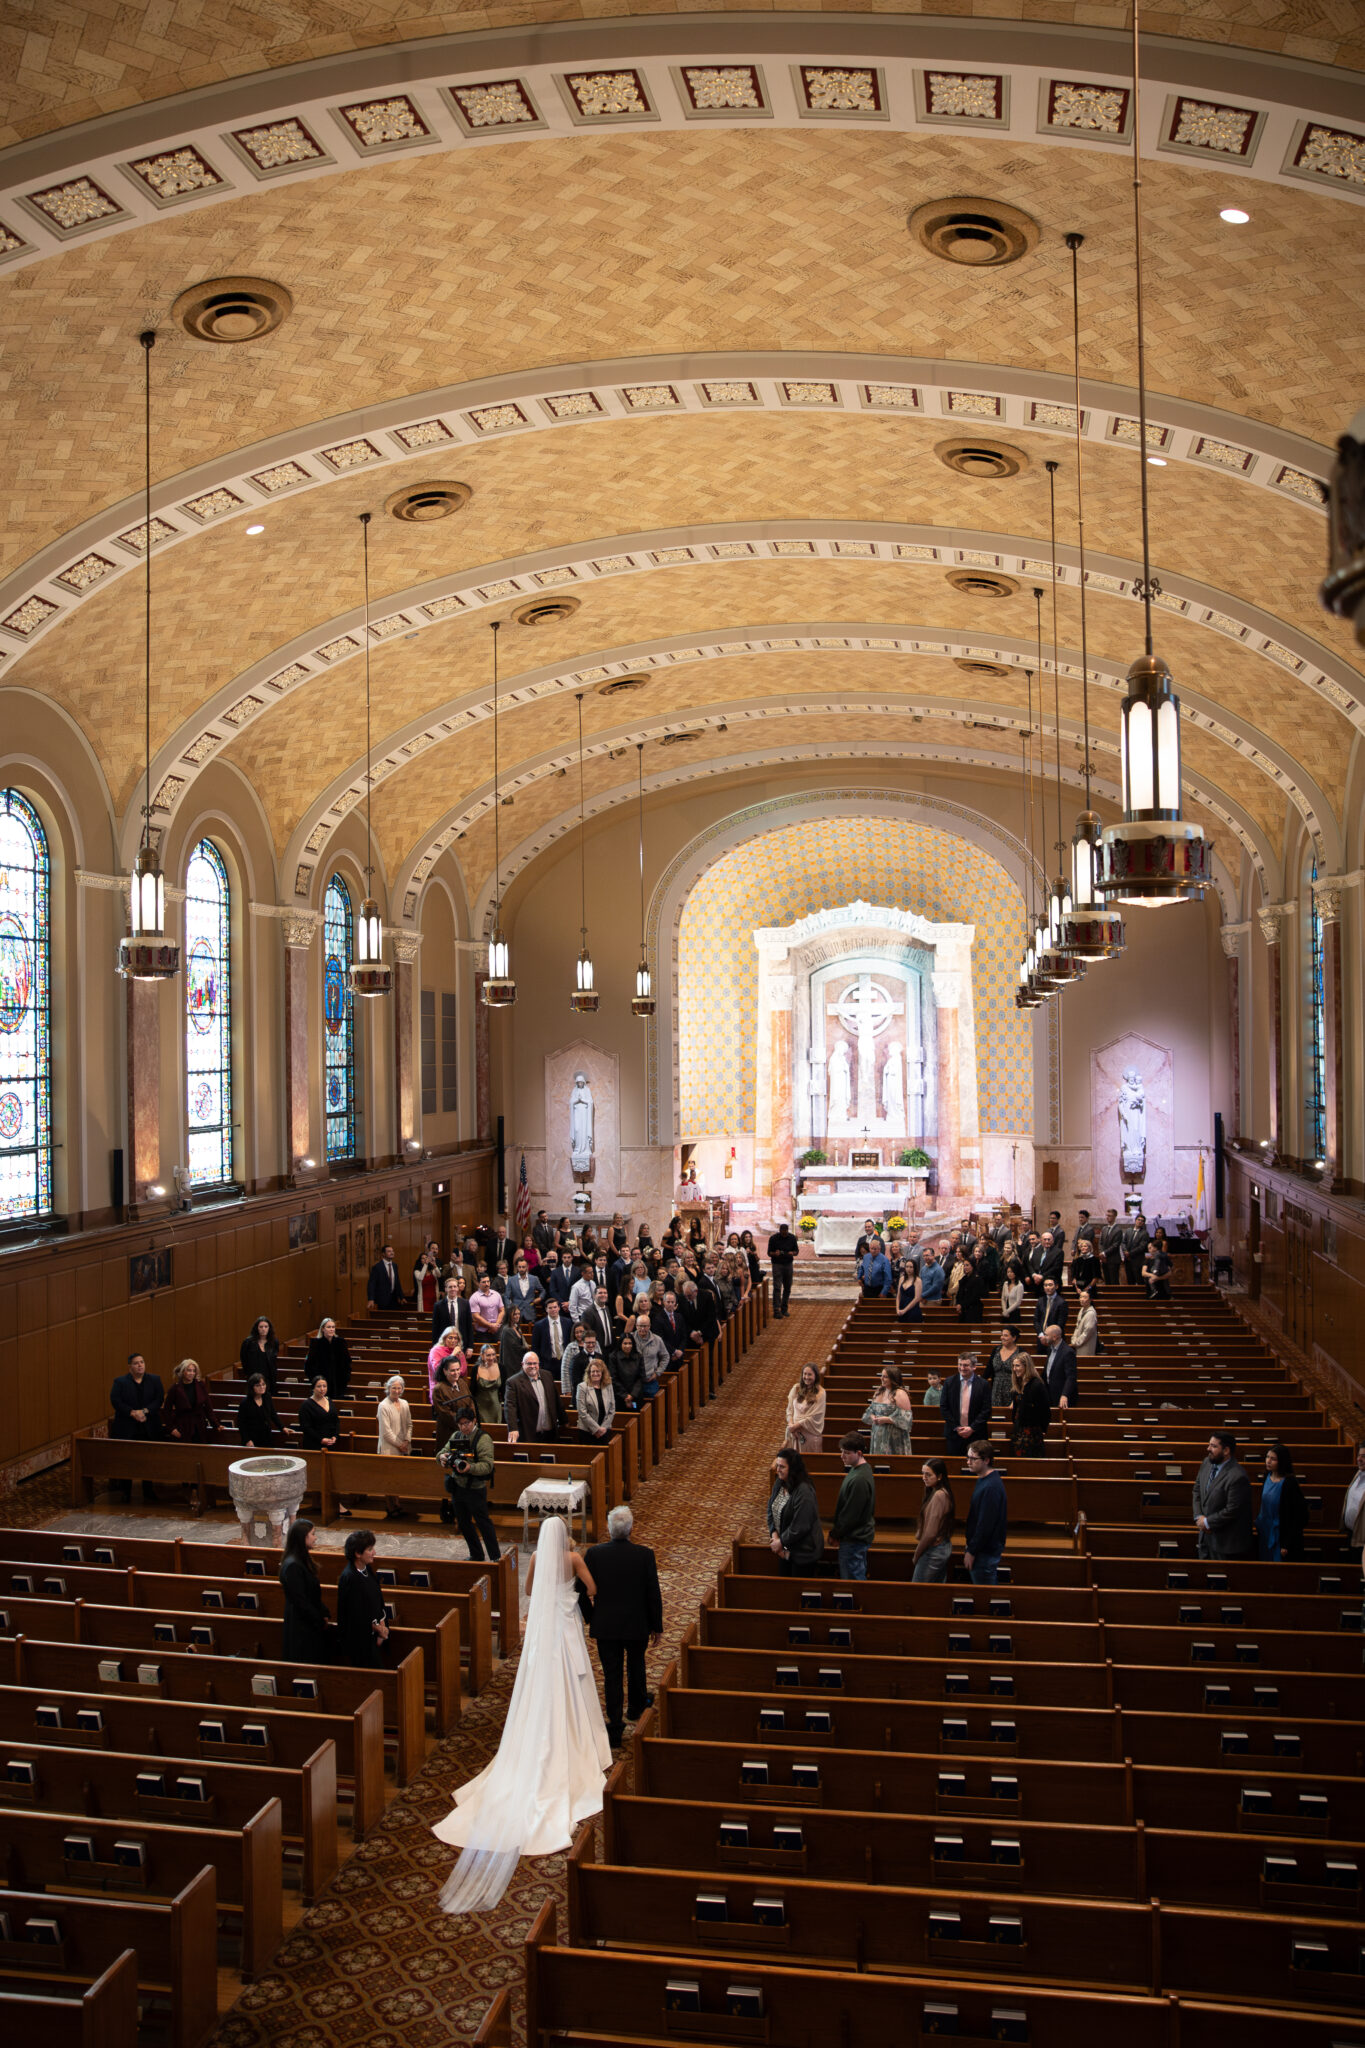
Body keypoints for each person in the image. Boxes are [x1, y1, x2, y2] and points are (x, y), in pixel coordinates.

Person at [435, 1515, 610, 1911]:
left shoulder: (535, 1561)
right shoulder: (575, 1557)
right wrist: (578, 1593)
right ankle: (579, 1738)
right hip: (564, 1626)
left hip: (543, 1630)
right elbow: (592, 1588)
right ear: (564, 1536)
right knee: (573, 1680)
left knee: (539, 1683)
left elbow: (530, 1591)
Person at [584, 1504, 663, 1748]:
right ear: (631, 1530)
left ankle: (615, 1726)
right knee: (636, 1665)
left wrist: (592, 1616)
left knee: (612, 1675)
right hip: (636, 1623)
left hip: (606, 1625)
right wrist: (656, 1626)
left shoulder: (594, 1554)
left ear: (609, 1529)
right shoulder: (644, 1554)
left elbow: (580, 1592)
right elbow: (653, 1593)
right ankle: (636, 1707)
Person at [440, 1404, 500, 1559]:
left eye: (467, 1423)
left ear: (474, 1421)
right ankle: (476, 1555)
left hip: (475, 1489)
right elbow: (442, 1452)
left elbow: (487, 1466)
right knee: (464, 1524)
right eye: (460, 1424)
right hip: (457, 1487)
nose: (464, 1427)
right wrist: (441, 1457)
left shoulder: (483, 1438)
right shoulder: (456, 1436)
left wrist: (469, 1468)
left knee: (483, 1524)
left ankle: (495, 1558)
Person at [109, 1352, 164, 1502]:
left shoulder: (154, 1380)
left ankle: (148, 1490)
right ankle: (126, 1491)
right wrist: (132, 1412)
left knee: (148, 1459)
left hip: (149, 1427)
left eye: (142, 1362)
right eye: (136, 1363)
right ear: (129, 1367)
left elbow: (159, 1399)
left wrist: (145, 1411)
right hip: (127, 1427)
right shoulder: (120, 1382)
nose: (140, 1365)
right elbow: (116, 1400)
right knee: (128, 1460)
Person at [1192, 1431, 1254, 1560]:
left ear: (1226, 1451)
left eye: (1214, 1446)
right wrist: (1199, 1517)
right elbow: (1197, 1490)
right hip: (1205, 1538)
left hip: (1225, 1543)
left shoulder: (1238, 1476)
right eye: (1209, 1445)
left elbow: (1233, 1510)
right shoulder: (1207, 1463)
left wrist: (1208, 1522)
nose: (1208, 1449)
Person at [279, 1517, 333, 1664]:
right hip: (301, 1628)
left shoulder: (301, 1560)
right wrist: (319, 1619)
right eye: (313, 1534)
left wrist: (324, 1612)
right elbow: (300, 1601)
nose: (315, 1538)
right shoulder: (292, 1566)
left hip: (308, 1623)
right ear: (303, 1537)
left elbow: (311, 1594)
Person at [336, 1527, 389, 1665]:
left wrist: (382, 1625)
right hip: (359, 1640)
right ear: (358, 1553)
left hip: (374, 1635)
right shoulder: (349, 1578)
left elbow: (378, 1598)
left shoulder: (367, 1569)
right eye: (370, 1549)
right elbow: (354, 1613)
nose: (374, 1553)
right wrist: (377, 1629)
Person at [767, 1448, 824, 1575]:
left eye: (782, 1467)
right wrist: (774, 1535)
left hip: (803, 1552)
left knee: (796, 1589)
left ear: (792, 1468)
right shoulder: (780, 1482)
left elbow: (800, 1526)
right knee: (785, 1586)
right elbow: (770, 1509)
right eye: (777, 1465)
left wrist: (780, 1542)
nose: (777, 1470)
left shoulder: (804, 1491)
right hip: (784, 1547)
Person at [831, 1433, 875, 1580]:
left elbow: (851, 1515)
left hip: (854, 1538)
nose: (842, 1456)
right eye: (841, 1452)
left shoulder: (859, 1479)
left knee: (852, 1582)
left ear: (859, 1453)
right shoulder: (858, 1470)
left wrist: (836, 1534)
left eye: (847, 1453)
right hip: (853, 1537)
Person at [1256, 1440, 1308, 1562]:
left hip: (1282, 1533)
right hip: (1266, 1530)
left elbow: (1300, 1516)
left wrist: (1287, 1543)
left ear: (1282, 1461)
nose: (1268, 1461)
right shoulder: (1266, 1477)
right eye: (1267, 1457)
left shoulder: (1290, 1483)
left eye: (1273, 1459)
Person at [963, 1440, 1007, 1584]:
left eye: (973, 1459)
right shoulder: (984, 1479)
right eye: (967, 1458)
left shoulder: (991, 1487)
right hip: (981, 1549)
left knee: (985, 1597)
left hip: (984, 1552)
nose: (968, 1462)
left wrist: (972, 1551)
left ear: (986, 1460)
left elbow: (985, 1525)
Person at [911, 1458, 955, 1583]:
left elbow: (930, 1533)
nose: (924, 1477)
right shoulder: (936, 1492)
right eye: (923, 1473)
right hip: (939, 1548)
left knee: (918, 1591)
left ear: (940, 1476)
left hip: (934, 1550)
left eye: (928, 1474)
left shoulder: (939, 1495)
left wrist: (917, 1554)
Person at [505, 1352, 562, 1443]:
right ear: (523, 1364)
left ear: (538, 1364)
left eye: (535, 1363)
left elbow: (556, 1400)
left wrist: (564, 1420)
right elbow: (510, 1407)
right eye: (529, 1363)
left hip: (550, 1433)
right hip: (529, 1434)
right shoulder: (513, 1382)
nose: (532, 1366)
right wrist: (513, 1428)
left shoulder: (547, 1375)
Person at [377, 1375, 413, 1520]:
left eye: (399, 1388)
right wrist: (400, 1445)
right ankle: (390, 1506)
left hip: (403, 1446)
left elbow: (410, 1424)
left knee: (398, 1479)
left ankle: (397, 1504)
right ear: (388, 1388)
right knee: (389, 1480)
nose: (397, 1391)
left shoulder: (405, 1403)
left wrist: (406, 1441)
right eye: (394, 1388)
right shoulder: (383, 1405)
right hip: (389, 1448)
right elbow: (386, 1432)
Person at [940, 1353, 990, 1448]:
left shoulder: (983, 1384)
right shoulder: (949, 1382)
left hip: (976, 1434)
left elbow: (986, 1410)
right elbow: (944, 1407)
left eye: (966, 1365)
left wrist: (972, 1428)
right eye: (960, 1364)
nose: (962, 1368)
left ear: (974, 1366)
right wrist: (957, 1427)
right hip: (954, 1434)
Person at [861, 1366, 914, 1455]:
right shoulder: (879, 1391)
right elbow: (870, 1410)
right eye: (881, 1376)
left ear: (893, 1378)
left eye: (885, 1376)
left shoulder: (900, 1393)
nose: (881, 1378)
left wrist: (887, 1419)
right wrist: (873, 1417)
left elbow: (907, 1418)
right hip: (878, 1434)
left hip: (894, 1436)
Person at [163, 1358, 218, 1442]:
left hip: (200, 1426)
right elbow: (167, 1410)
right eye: (189, 1370)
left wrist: (216, 1425)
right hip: (182, 1427)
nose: (191, 1373)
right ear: (182, 1371)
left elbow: (208, 1407)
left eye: (193, 1371)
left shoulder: (200, 1385)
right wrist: (171, 1429)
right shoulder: (175, 1389)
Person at [1010, 1355, 1051, 1457]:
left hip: (1032, 1433)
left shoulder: (1036, 1385)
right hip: (1018, 1430)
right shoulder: (1018, 1383)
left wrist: (1043, 1429)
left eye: (1018, 1366)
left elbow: (1045, 1411)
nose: (1015, 1369)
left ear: (1026, 1366)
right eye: (1014, 1366)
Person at [238, 1371, 289, 1447]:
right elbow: (241, 1424)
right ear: (252, 1387)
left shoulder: (267, 1397)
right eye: (258, 1385)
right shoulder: (245, 1403)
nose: (262, 1387)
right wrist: (247, 1440)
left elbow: (273, 1414)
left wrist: (282, 1427)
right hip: (252, 1438)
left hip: (266, 1435)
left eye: (263, 1384)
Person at [784, 1363, 826, 1455]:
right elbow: (790, 1410)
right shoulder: (796, 1388)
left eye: (809, 1374)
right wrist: (791, 1424)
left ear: (816, 1376)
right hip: (795, 1434)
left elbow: (815, 1416)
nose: (806, 1377)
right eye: (804, 1374)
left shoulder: (821, 1393)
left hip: (809, 1434)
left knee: (809, 1465)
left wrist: (795, 1426)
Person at [306, 1316, 351, 1400]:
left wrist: (346, 1377)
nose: (331, 1329)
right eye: (328, 1327)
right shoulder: (316, 1343)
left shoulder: (341, 1342)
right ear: (323, 1329)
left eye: (333, 1327)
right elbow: (309, 1364)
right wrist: (315, 1380)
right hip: (321, 1384)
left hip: (339, 1382)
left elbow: (347, 1362)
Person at [432, 1351, 467, 1455]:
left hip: (465, 1430)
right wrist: (463, 1424)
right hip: (448, 1431)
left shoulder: (462, 1383)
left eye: (458, 1369)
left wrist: (470, 1422)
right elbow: (445, 1413)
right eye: (452, 1370)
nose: (456, 1373)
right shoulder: (439, 1389)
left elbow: (470, 1403)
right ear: (445, 1371)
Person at [576, 1357, 616, 1442]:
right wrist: (596, 1429)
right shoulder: (582, 1387)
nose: (595, 1374)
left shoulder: (608, 1386)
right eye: (592, 1371)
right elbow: (582, 1412)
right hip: (587, 1431)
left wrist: (603, 1428)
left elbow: (612, 1409)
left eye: (598, 1371)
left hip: (605, 1430)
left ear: (602, 1373)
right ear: (589, 1373)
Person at [239, 1316, 280, 1395]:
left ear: (269, 1328)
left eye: (266, 1327)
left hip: (269, 1377)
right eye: (261, 1327)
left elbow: (274, 1361)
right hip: (254, 1377)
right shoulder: (248, 1342)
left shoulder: (274, 1342)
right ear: (256, 1328)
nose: (263, 1329)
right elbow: (244, 1360)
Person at [1041, 1326, 1077, 1412]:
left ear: (1054, 1337)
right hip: (1050, 1393)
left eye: (1046, 1335)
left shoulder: (1068, 1352)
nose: (1044, 1337)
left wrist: (1065, 1395)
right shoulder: (1050, 1349)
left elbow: (1071, 1377)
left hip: (1061, 1396)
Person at [427, 1325, 466, 1404]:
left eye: (456, 1338)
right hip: (440, 1390)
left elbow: (463, 1371)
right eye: (450, 1337)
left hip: (455, 1391)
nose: (453, 1340)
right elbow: (438, 1369)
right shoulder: (435, 1351)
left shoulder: (459, 1352)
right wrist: (453, 1354)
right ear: (444, 1338)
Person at [432, 1276, 473, 1351]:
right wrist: (435, 1346)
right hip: (444, 1344)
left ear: (457, 1288)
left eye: (455, 1286)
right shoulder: (438, 1305)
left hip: (461, 1342)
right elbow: (435, 1328)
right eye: (450, 1287)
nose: (453, 1289)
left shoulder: (465, 1303)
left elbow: (469, 1326)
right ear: (446, 1289)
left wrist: (470, 1347)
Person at [767, 1222, 798, 1319]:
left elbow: (796, 1251)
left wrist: (792, 1253)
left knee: (787, 1287)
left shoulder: (792, 1238)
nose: (784, 1233)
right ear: (780, 1231)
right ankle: (776, 1310)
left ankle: (784, 1308)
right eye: (782, 1232)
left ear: (787, 1231)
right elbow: (769, 1253)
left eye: (786, 1232)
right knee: (777, 1287)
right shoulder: (773, 1238)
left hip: (788, 1264)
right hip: (777, 1264)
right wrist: (775, 1253)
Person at [368, 1241, 408, 1311]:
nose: (392, 1253)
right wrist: (371, 1299)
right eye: (389, 1251)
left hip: (394, 1299)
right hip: (382, 1300)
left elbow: (397, 1282)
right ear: (383, 1254)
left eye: (392, 1251)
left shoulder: (394, 1265)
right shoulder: (377, 1267)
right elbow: (372, 1284)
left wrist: (401, 1297)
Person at [472, 1346, 504, 1429]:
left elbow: (504, 1389)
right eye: (488, 1355)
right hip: (480, 1407)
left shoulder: (501, 1367)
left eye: (493, 1354)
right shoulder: (476, 1368)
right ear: (482, 1356)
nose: (491, 1358)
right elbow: (472, 1390)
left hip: (495, 1406)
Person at [988, 1327, 1020, 1408]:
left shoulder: (1020, 1352)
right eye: (1001, 1335)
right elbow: (989, 1370)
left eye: (1005, 1335)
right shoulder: (996, 1350)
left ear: (1014, 1338)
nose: (1002, 1337)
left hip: (1012, 1390)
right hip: (996, 1390)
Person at [1344, 1444, 1365, 1563]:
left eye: (1363, 1456)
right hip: (1352, 1535)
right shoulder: (1359, 1474)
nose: (1359, 1459)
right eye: (1358, 1455)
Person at [1033, 1277, 1067, 1352]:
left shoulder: (1061, 1302)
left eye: (1050, 1285)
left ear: (1056, 1286)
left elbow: (1060, 1324)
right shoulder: (1040, 1300)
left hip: (1055, 1339)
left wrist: (1049, 1336)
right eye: (1045, 1285)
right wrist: (1041, 1334)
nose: (1047, 1287)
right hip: (1041, 1339)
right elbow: (1036, 1320)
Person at [414, 1241, 444, 1316]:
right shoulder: (417, 1271)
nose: (424, 1260)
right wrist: (426, 1264)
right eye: (423, 1259)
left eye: (426, 1258)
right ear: (420, 1260)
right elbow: (420, 1278)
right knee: (424, 1316)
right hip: (423, 1298)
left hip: (434, 1298)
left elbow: (439, 1275)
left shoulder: (432, 1270)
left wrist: (434, 1265)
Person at [1099, 1209, 1124, 1288]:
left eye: (1109, 1216)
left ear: (1114, 1217)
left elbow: (1115, 1245)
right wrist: (1102, 1253)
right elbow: (1100, 1242)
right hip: (1104, 1259)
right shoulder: (1104, 1228)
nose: (1107, 1217)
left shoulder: (1118, 1230)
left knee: (1114, 1281)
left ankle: (1115, 1298)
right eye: (1107, 1215)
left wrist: (1104, 1253)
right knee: (1107, 1280)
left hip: (1113, 1259)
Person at [1072, 1288, 1099, 1357]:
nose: (1082, 1299)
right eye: (1080, 1297)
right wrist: (1074, 1338)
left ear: (1090, 1299)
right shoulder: (1081, 1310)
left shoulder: (1091, 1313)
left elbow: (1087, 1332)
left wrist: (1077, 1342)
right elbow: (1077, 1327)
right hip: (1078, 1342)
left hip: (1087, 1344)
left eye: (1084, 1297)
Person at [895, 1259, 923, 1324]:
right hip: (902, 1307)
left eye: (911, 1267)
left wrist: (905, 1310)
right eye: (907, 1267)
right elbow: (898, 1296)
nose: (908, 1269)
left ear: (914, 1268)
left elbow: (917, 1298)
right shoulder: (902, 1279)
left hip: (913, 1309)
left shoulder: (918, 1280)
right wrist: (897, 1309)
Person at [999, 1263, 1024, 1328]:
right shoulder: (1006, 1284)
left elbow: (1018, 1302)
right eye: (1008, 1272)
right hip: (1006, 1311)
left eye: (1011, 1272)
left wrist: (1007, 1311)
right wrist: (1004, 1310)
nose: (1009, 1274)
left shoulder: (1019, 1285)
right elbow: (1003, 1298)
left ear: (1015, 1272)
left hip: (1014, 1312)